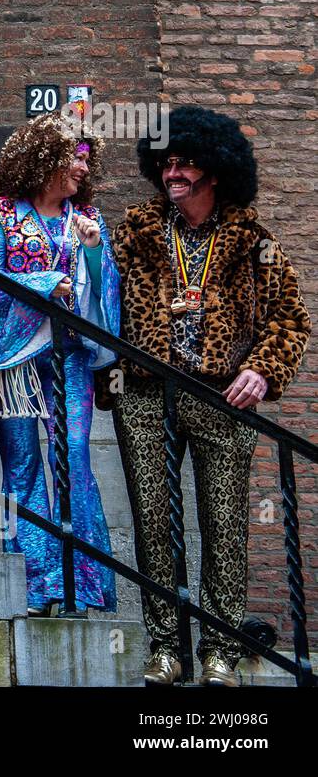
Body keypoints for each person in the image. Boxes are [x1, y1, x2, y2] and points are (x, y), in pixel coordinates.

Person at [111, 105, 310, 686]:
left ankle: (220, 651)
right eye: (166, 163)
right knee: (153, 523)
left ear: (216, 172)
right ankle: (165, 648)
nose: (174, 173)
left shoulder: (254, 241)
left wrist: (264, 372)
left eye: (187, 164)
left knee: (224, 526)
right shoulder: (136, 232)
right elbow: (98, 300)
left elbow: (290, 321)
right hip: (146, 395)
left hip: (225, 399)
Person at [0, 112, 120, 615]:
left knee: (75, 458)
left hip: (70, 357)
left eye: (85, 160)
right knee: (22, 468)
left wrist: (93, 251)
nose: (82, 169)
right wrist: (43, 284)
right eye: (72, 159)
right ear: (43, 160)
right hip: (13, 360)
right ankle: (36, 584)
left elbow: (105, 290)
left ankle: (82, 584)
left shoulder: (90, 220)